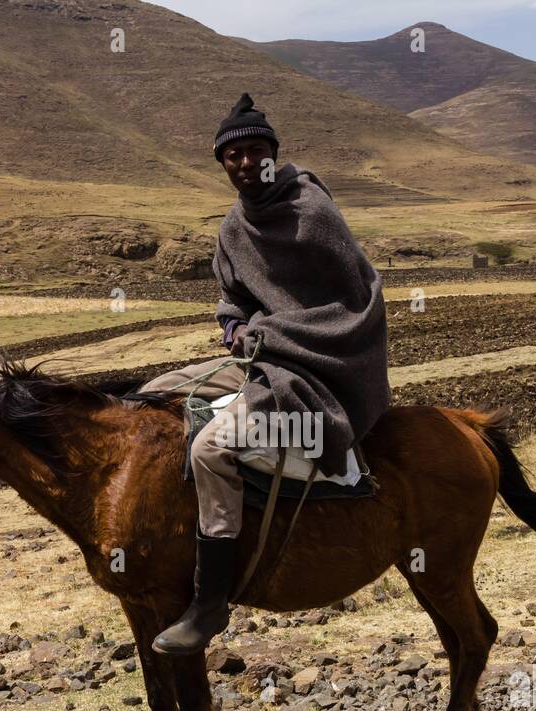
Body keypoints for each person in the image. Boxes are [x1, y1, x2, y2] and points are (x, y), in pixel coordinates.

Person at [143, 93, 390, 656]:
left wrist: (273, 335)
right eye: (234, 156)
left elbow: (353, 300)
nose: (247, 163)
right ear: (223, 165)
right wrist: (235, 329)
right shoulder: (233, 228)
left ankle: (210, 603)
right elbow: (232, 299)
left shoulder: (311, 210)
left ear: (274, 154)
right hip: (263, 356)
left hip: (322, 365)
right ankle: (180, 545)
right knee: (152, 399)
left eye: (257, 151)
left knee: (210, 448)